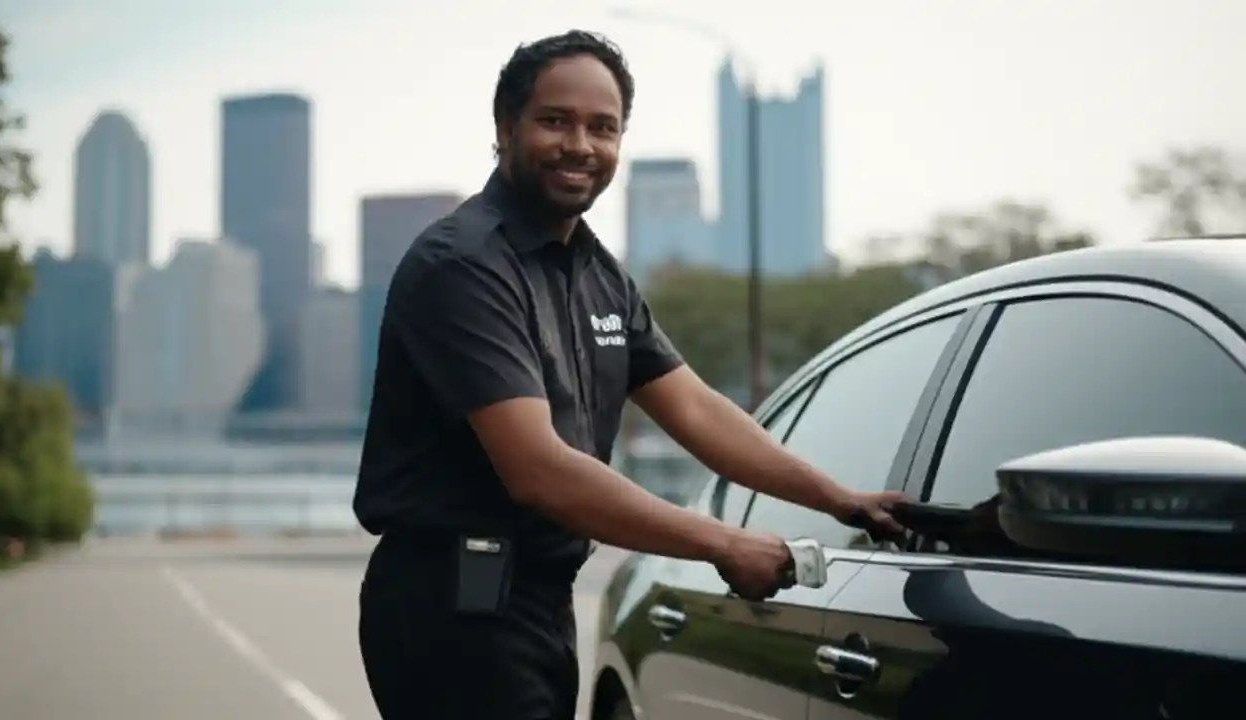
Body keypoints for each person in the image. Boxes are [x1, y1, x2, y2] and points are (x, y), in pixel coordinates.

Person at [354, 29, 905, 720]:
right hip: (452, 607)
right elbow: (538, 469)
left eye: (602, 127)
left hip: (534, 603)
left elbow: (697, 411)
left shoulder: (596, 271)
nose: (580, 145)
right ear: (505, 128)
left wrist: (838, 500)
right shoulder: (463, 265)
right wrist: (723, 543)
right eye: (555, 121)